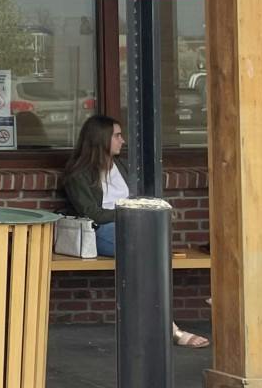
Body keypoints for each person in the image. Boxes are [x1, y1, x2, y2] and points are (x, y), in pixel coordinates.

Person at [60, 113, 208, 348]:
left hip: (135, 229)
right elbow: (93, 213)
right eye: (117, 136)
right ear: (101, 139)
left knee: (147, 254)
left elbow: (140, 197)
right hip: (102, 231)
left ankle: (161, 324)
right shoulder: (78, 174)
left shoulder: (121, 166)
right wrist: (131, 212)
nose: (122, 141)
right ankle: (167, 326)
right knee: (147, 253)